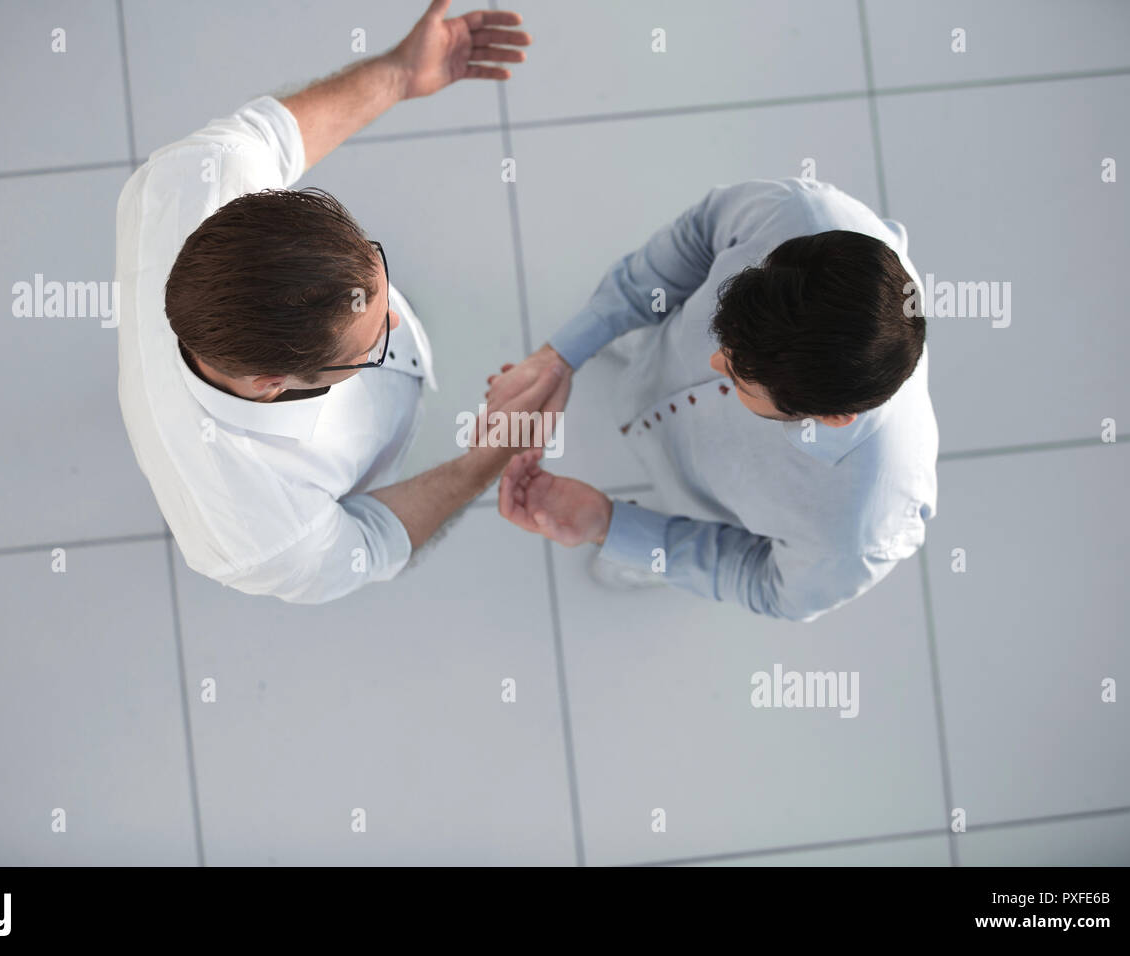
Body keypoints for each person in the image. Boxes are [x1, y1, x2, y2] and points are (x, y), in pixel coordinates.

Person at [115, 1, 555, 604]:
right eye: (371, 345)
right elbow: (369, 542)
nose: (395, 321)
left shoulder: (200, 177)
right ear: (273, 382)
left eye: (377, 280)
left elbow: (273, 134)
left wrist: (401, 72)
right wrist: (485, 460)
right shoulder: (259, 534)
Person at [490, 178, 939, 623]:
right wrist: (563, 353)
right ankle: (640, 346)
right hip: (653, 356)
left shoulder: (859, 528)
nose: (713, 361)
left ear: (830, 418)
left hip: (696, 505)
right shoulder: (798, 216)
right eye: (726, 337)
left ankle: (652, 555)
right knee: (655, 341)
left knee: (663, 541)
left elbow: (766, 583)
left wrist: (609, 526)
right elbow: (696, 240)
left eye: (741, 379)